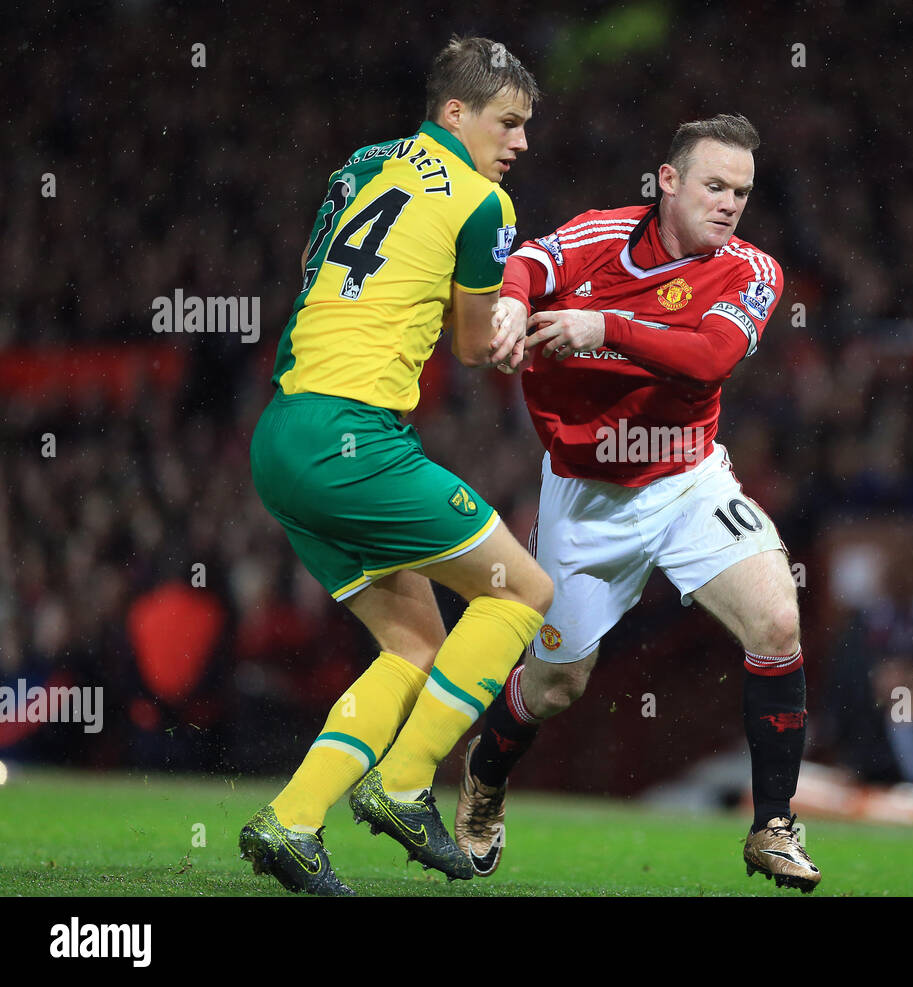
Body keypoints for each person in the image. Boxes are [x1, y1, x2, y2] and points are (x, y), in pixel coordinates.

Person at [457, 113, 821, 892]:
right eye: (714, 186)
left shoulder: (752, 271)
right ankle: (485, 777)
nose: (729, 205)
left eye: (742, 192)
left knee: (778, 616)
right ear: (667, 181)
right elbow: (524, 261)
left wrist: (604, 326)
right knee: (557, 684)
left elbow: (711, 357)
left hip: (689, 481)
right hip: (586, 500)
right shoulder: (600, 238)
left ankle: (773, 824)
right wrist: (517, 304)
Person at [238, 37, 552, 896]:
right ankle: (407, 784)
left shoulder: (364, 162)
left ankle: (291, 822)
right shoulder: (485, 203)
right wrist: (532, 327)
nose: (520, 143)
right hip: (356, 438)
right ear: (456, 113)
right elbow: (475, 343)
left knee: (414, 644)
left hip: (282, 433)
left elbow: (319, 268)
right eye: (509, 122)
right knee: (523, 591)